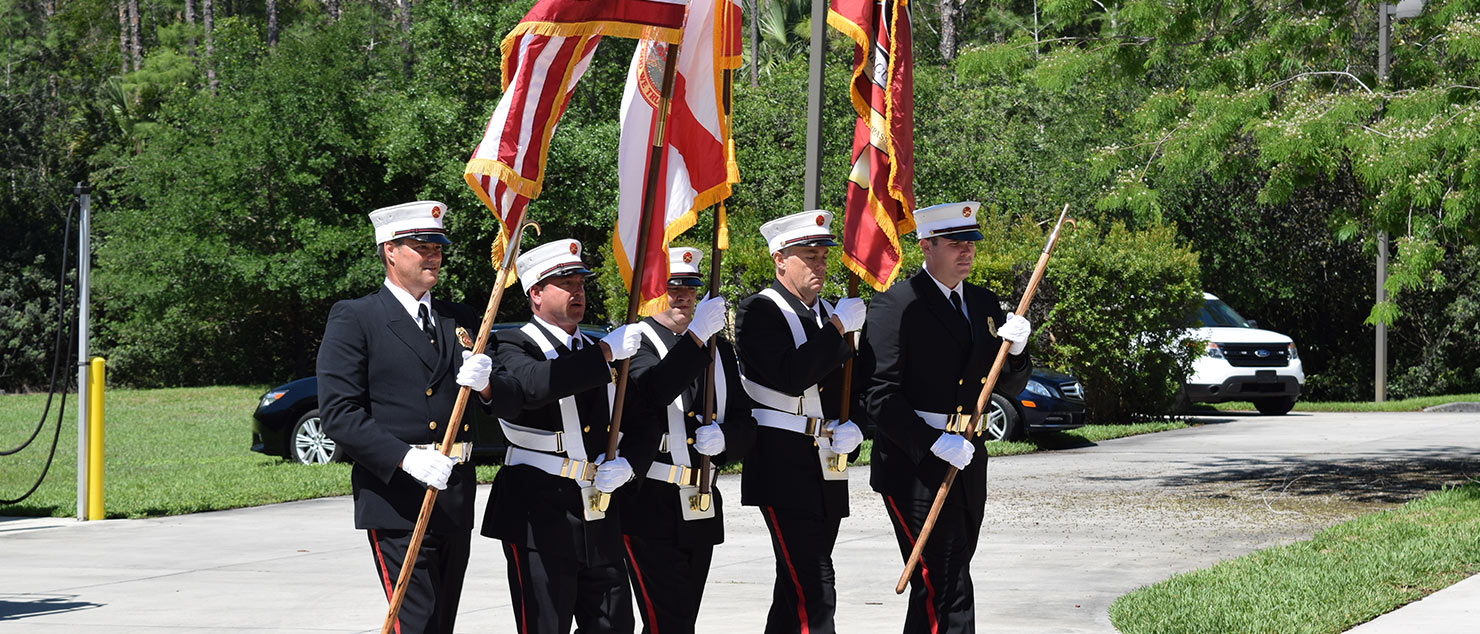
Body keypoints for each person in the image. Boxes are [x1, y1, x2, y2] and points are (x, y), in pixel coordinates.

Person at [317, 200, 525, 634]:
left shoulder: (460, 317)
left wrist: (488, 383)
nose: (433, 256)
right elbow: (339, 414)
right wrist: (406, 457)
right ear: (390, 250)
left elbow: (508, 399)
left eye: (437, 247)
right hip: (397, 495)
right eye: (421, 247)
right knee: (416, 624)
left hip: (453, 492)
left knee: (441, 623)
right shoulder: (357, 317)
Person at [856, 201, 1033, 634]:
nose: (966, 251)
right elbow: (877, 393)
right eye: (955, 243)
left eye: (970, 242)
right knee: (946, 582)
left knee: (943, 580)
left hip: (969, 455)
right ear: (926, 245)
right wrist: (932, 441)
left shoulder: (983, 303)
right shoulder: (897, 304)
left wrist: (1018, 353)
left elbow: (1004, 385)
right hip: (914, 463)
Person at [480, 238, 650, 634]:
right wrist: (603, 354)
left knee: (615, 626)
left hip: (599, 511)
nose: (578, 292)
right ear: (536, 293)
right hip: (539, 511)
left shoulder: (598, 347)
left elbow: (643, 417)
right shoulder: (511, 343)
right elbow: (534, 385)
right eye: (566, 283)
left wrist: (630, 463)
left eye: (581, 283)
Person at [734, 210, 867, 634]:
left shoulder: (831, 312)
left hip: (828, 464)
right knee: (815, 585)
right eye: (810, 257)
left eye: (823, 257)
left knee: (794, 590)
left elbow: (860, 383)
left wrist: (856, 425)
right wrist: (838, 328)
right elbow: (791, 375)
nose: (820, 266)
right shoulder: (758, 311)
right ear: (780, 259)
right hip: (781, 463)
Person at [621, 247, 758, 634]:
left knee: (681, 620)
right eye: (673, 288)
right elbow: (654, 390)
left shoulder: (719, 350)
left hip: (700, 499)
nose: (683, 297)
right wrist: (697, 336)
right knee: (668, 622)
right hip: (651, 501)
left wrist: (726, 439)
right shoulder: (637, 343)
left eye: (691, 288)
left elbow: (747, 423)